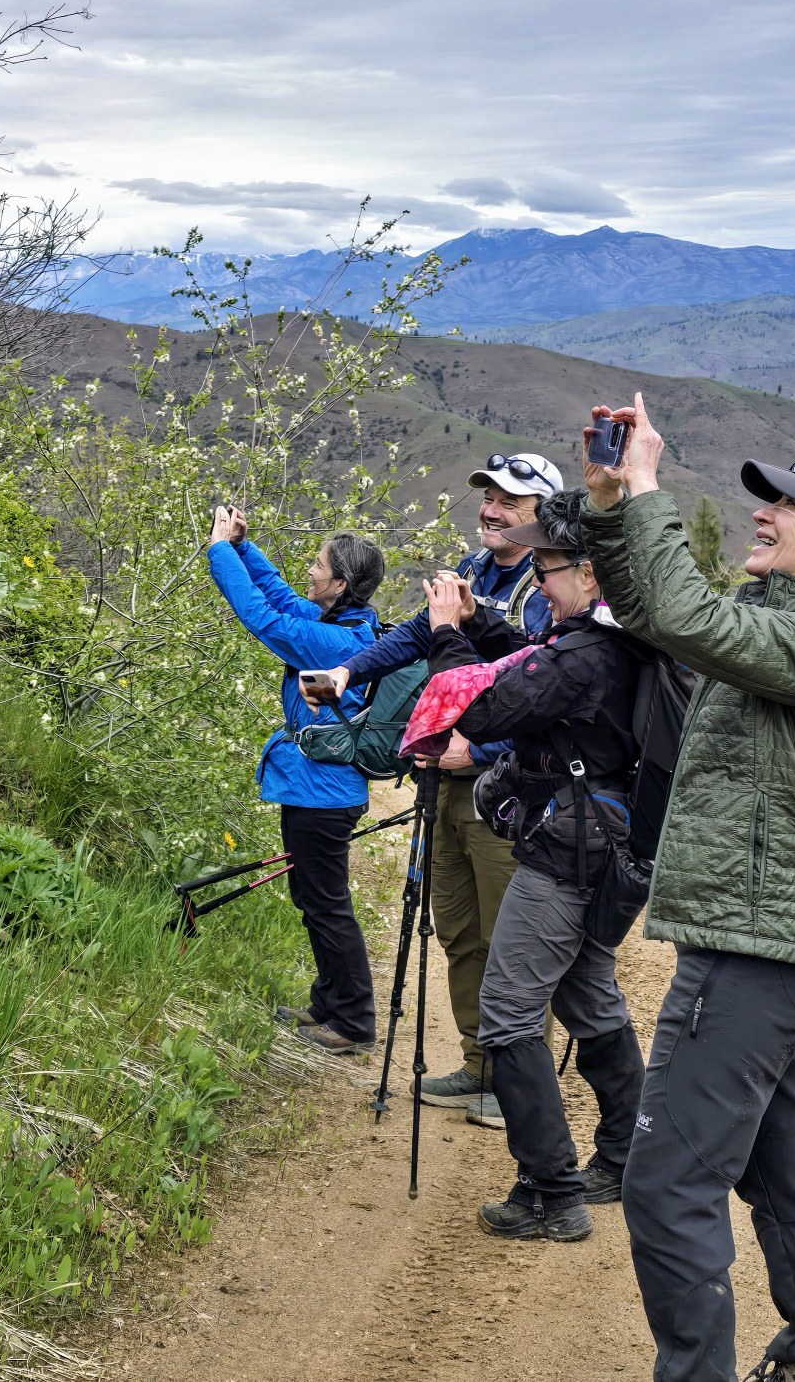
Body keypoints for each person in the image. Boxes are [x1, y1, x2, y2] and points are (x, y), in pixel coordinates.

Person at [582, 395, 795, 1382]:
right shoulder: (779, 623)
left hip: (751, 949)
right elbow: (650, 614)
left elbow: (685, 615)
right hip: (757, 944)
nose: (762, 513)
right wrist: (609, 503)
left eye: (787, 506)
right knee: (779, 1160)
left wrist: (648, 486)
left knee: (666, 1186)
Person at [416, 486, 650, 1243]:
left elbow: (481, 710)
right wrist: (482, 627)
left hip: (567, 852)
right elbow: (525, 673)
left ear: (590, 573)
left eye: (547, 567)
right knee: (590, 1000)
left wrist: (447, 632)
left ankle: (550, 1191)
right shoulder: (624, 641)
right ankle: (621, 1158)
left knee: (511, 1013)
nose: (539, 581)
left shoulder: (585, 654)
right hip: (610, 844)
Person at [311, 451, 563, 1125]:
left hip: (511, 791)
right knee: (457, 926)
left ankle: (518, 1087)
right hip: (449, 783)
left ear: (542, 513)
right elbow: (416, 637)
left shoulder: (547, 592)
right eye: (487, 496)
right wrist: (348, 673)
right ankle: (482, 1062)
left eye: (510, 501)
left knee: (513, 940)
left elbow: (552, 699)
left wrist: (477, 748)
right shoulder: (474, 572)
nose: (492, 510)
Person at [206, 505, 386, 1054]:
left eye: (318, 565)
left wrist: (218, 552)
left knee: (326, 903)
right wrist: (244, 546)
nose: (310, 570)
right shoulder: (340, 624)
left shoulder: (341, 644)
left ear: (341, 583)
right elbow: (283, 599)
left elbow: (265, 620)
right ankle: (329, 1005)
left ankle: (353, 1022)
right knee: (314, 898)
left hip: (323, 795)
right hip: (317, 788)